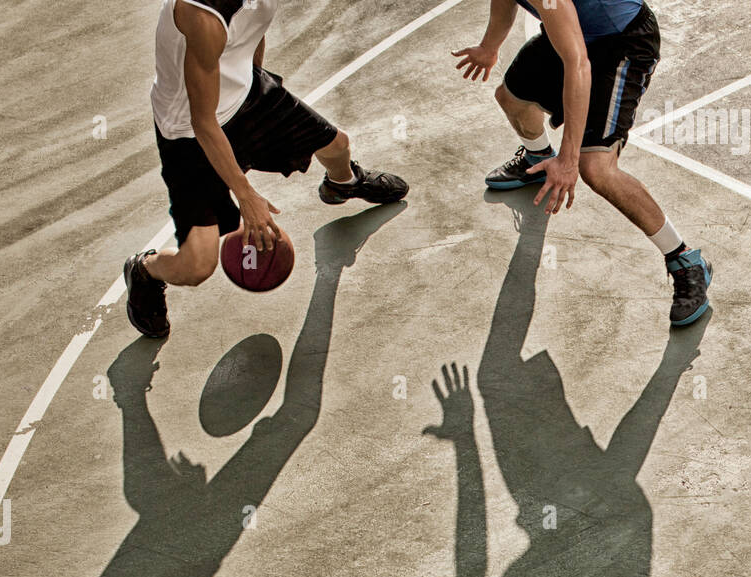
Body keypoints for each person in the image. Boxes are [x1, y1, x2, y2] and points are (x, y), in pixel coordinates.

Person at [124, 0, 408, 338]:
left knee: (338, 146)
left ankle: (344, 183)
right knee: (196, 266)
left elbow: (252, 31)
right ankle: (144, 270)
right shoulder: (201, 14)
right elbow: (203, 122)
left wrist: (261, 88)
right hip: (188, 131)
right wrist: (245, 195)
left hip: (244, 93)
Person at [453, 0, 713, 325]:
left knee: (596, 168)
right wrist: (489, 47)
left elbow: (578, 65)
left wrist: (569, 159)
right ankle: (537, 157)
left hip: (622, 43)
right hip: (574, 34)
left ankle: (685, 260)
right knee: (511, 98)